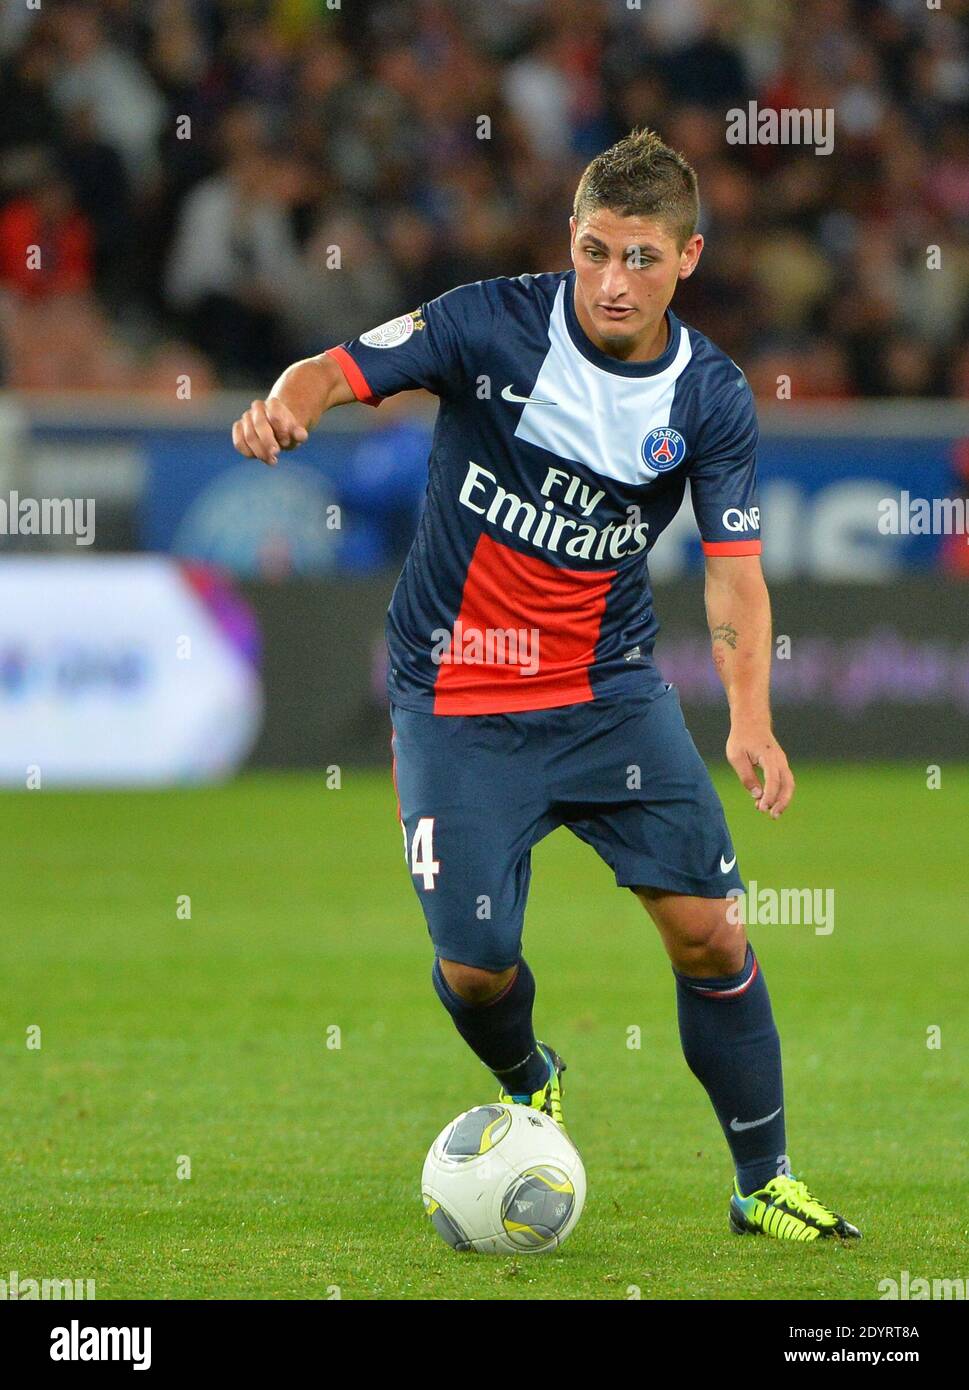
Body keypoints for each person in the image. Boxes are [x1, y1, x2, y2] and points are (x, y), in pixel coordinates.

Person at [231, 128, 861, 1242]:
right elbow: (332, 368)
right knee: (475, 968)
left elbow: (737, 581)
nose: (614, 283)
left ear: (691, 257)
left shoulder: (709, 398)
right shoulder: (489, 324)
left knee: (712, 932)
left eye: (642, 259)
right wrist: (290, 406)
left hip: (608, 693)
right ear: (571, 241)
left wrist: (750, 717)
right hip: (457, 692)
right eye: (595, 251)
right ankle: (531, 1074)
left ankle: (764, 1180)